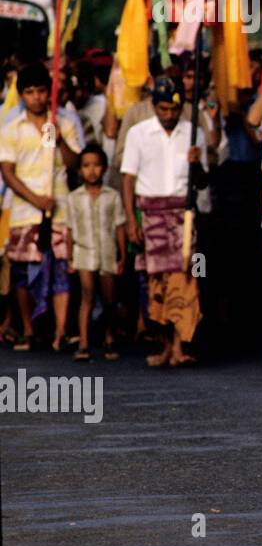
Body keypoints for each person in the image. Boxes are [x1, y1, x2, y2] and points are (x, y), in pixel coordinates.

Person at [121, 78, 208, 368]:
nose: (169, 114)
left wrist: (197, 165)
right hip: (151, 214)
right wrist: (131, 219)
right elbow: (128, 179)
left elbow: (203, 182)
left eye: (174, 108)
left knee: (186, 279)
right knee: (156, 283)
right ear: (153, 105)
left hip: (184, 214)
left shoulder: (194, 133)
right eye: (163, 108)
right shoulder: (138, 133)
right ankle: (165, 344)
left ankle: (182, 345)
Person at [0, 64, 80, 351]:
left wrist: (59, 141)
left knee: (60, 268)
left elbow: (76, 165)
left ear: (49, 93)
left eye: (41, 91)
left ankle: (59, 332)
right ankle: (29, 329)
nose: (36, 97)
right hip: (25, 209)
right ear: (22, 95)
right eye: (29, 92)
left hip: (59, 206)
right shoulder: (11, 128)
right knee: (23, 270)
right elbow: (7, 171)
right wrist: (35, 199)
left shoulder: (63, 123)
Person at [67, 144, 126, 361]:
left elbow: (119, 226)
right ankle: (84, 342)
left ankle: (109, 336)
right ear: (80, 169)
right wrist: (69, 257)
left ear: (105, 167)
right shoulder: (74, 197)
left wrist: (122, 255)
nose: (92, 170)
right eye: (86, 166)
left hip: (108, 252)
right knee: (87, 295)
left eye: (97, 165)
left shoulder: (113, 196)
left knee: (109, 299)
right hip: (84, 252)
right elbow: (69, 229)